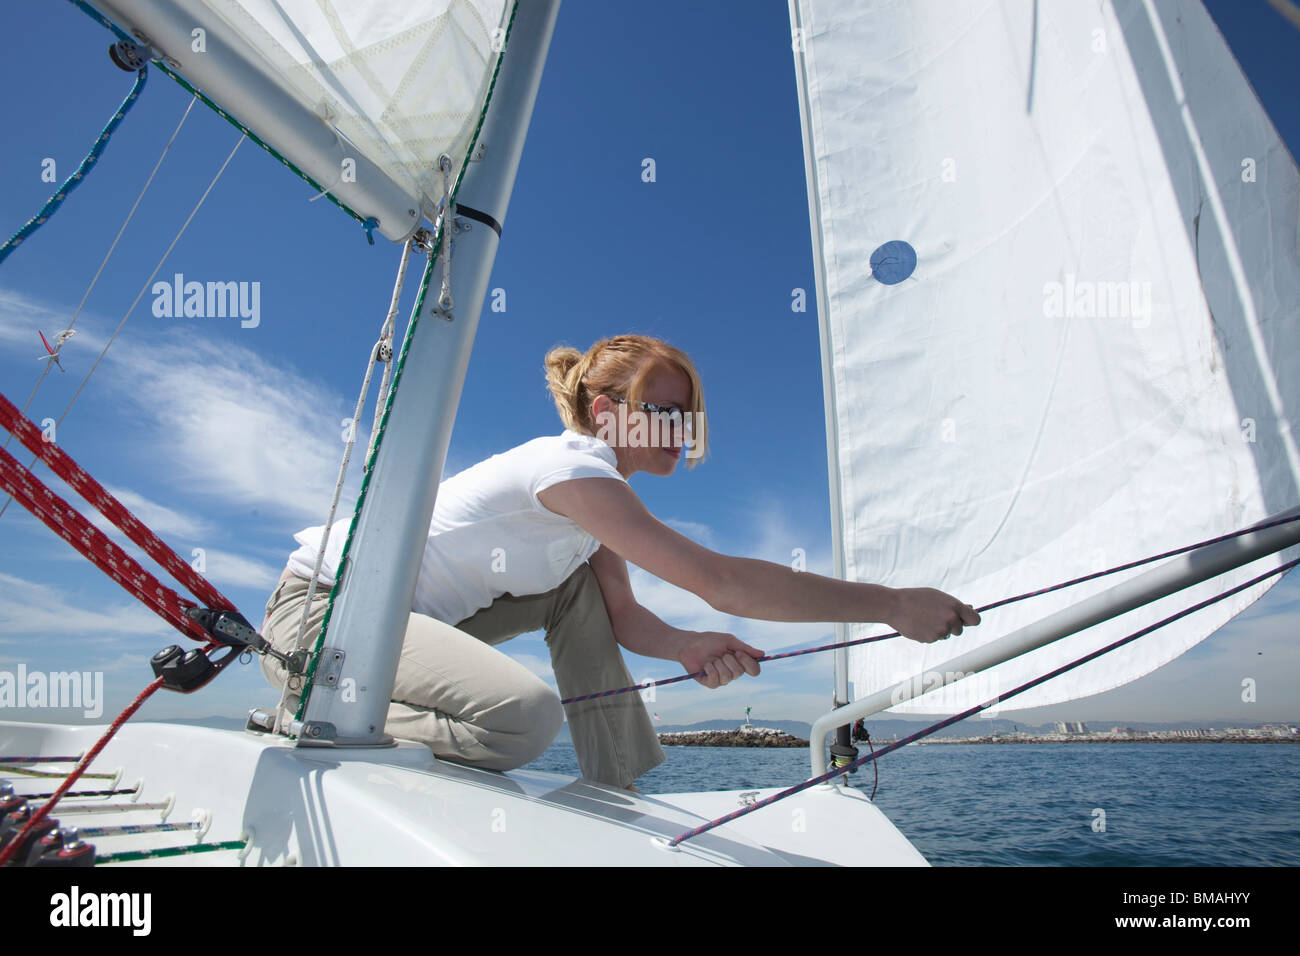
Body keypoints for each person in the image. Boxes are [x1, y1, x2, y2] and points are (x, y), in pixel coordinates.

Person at [259, 333, 979, 791]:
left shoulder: (596, 509)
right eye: (661, 410)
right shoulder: (573, 469)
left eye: (687, 414)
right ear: (607, 414)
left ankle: (616, 780)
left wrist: (688, 644)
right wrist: (889, 604)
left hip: (397, 632)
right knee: (522, 720)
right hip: (323, 620)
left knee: (578, 592)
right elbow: (721, 580)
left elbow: (624, 617)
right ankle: (312, 707)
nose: (680, 428)